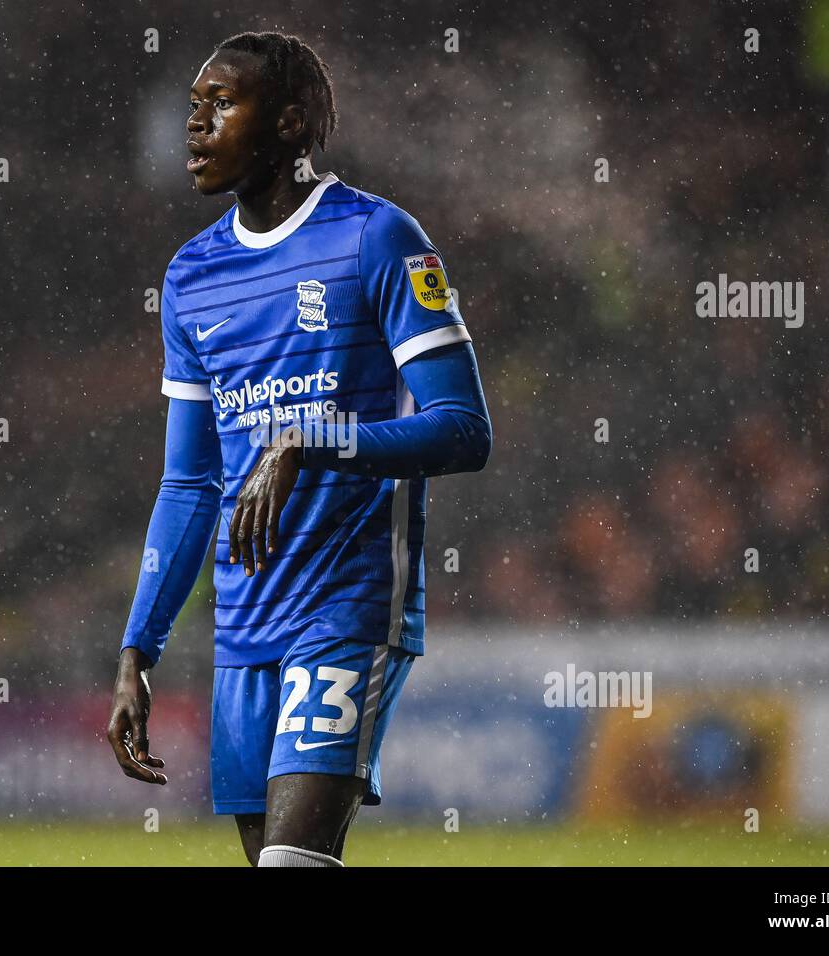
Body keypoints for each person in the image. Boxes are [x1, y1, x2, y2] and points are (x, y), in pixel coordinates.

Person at [107, 31, 491, 867]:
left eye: (221, 104)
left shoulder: (377, 238)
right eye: (192, 106)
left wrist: (311, 443)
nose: (195, 125)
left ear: (288, 123)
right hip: (244, 623)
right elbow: (188, 486)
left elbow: (465, 430)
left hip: (348, 601)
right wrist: (139, 648)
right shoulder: (191, 276)